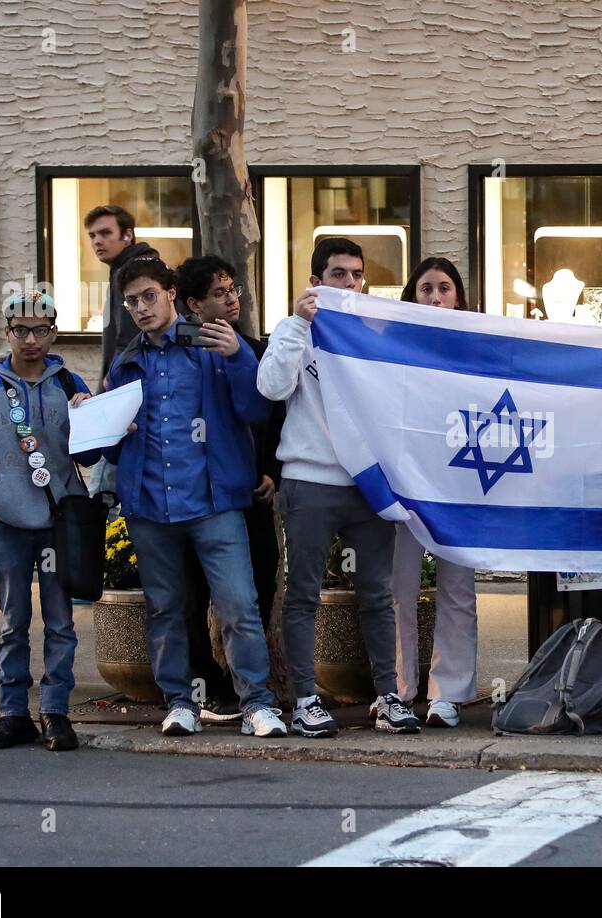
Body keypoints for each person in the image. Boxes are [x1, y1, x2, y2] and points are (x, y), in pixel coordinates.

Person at [102, 256, 288, 738]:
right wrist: (94, 415)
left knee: (239, 605)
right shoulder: (126, 362)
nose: (140, 308)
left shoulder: (212, 345)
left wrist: (240, 357)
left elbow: (256, 410)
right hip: (148, 505)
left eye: (148, 296)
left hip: (214, 502)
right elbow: (108, 446)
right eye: (131, 301)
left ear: (170, 294)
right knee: (166, 608)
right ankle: (180, 702)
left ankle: (257, 704)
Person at [256, 237, 419, 737]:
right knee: (303, 594)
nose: (349, 283)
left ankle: (389, 697)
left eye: (356, 274)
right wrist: (297, 323)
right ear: (315, 281)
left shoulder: (374, 330)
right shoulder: (295, 329)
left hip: (370, 483)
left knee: (377, 594)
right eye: (338, 274)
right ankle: (306, 699)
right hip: (309, 480)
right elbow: (271, 387)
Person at [0, 292, 100, 751]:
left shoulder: (68, 383)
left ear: (54, 331)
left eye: (40, 330)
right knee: (13, 620)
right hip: (8, 525)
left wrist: (92, 416)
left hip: (60, 521)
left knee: (60, 620)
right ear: (6, 332)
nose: (30, 339)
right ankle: (13, 713)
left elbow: (88, 456)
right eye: (20, 330)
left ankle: (55, 711)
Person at [174, 255, 288, 719]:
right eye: (218, 293)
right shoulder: (180, 353)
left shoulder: (253, 349)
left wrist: (271, 471)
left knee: (258, 579)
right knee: (192, 591)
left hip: (249, 490)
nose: (232, 298)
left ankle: (250, 682)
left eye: (233, 288)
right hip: (197, 494)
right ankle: (207, 683)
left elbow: (270, 413)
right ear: (193, 305)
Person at [388, 257, 481, 728]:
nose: (435, 297)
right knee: (399, 587)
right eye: (425, 288)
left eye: (445, 288)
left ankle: (449, 693)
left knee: (458, 588)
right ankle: (399, 689)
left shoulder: (476, 346)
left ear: (459, 297)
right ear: (412, 297)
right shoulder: (391, 348)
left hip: (461, 483)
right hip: (405, 480)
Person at [84, 205, 156, 506]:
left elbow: (133, 335)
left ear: (127, 235)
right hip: (122, 389)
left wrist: (113, 379)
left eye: (105, 233)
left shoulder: (138, 272)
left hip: (127, 391)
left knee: (105, 491)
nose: (97, 241)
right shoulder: (123, 270)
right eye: (92, 236)